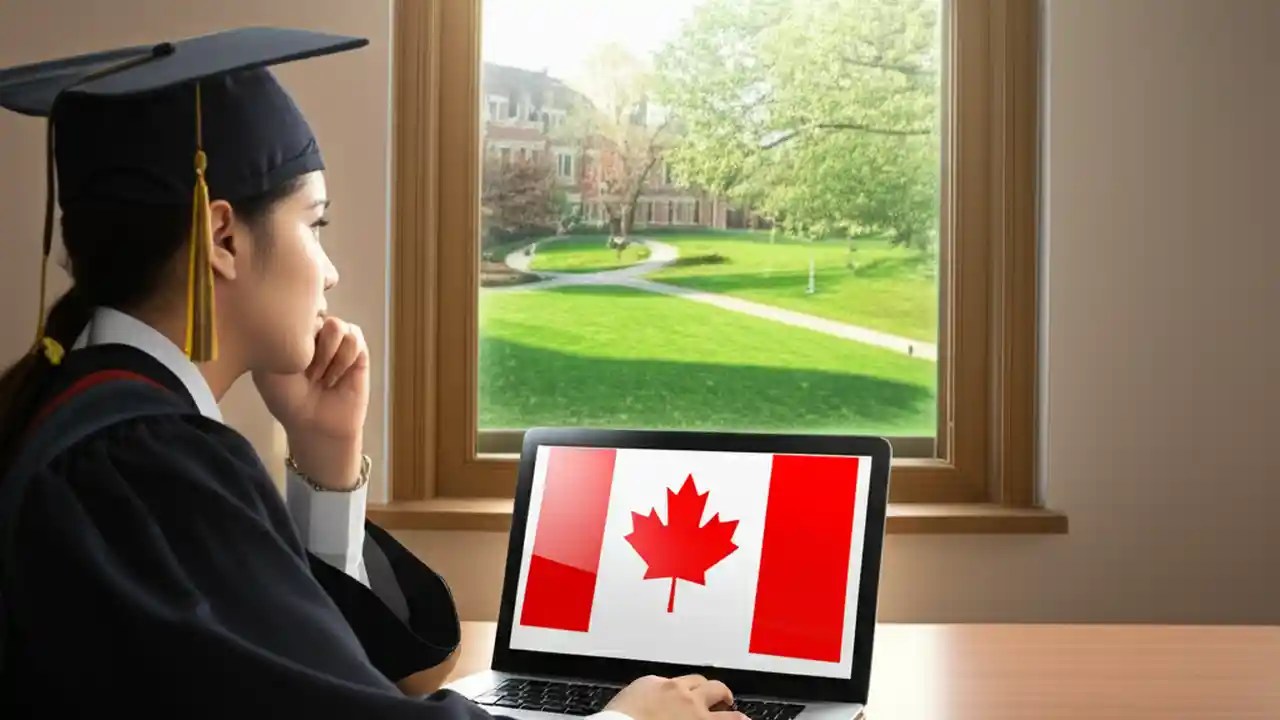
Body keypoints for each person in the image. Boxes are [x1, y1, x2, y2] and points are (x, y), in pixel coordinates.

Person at [0, 27, 743, 719]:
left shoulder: (81, 416)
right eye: (314, 223)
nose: (330, 271)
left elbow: (310, 680)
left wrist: (325, 459)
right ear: (222, 237)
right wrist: (626, 718)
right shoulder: (144, 464)